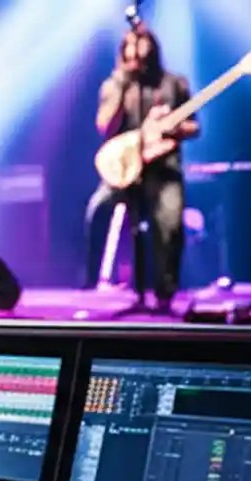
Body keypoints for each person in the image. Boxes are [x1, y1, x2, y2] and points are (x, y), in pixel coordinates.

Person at [84, 23, 199, 315]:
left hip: (163, 168)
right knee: (97, 211)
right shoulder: (113, 85)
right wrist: (122, 87)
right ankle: (96, 281)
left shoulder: (174, 83)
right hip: (125, 168)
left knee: (170, 227)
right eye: (131, 45)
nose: (137, 50)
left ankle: (164, 293)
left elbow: (195, 126)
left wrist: (174, 127)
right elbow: (104, 126)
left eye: (143, 43)